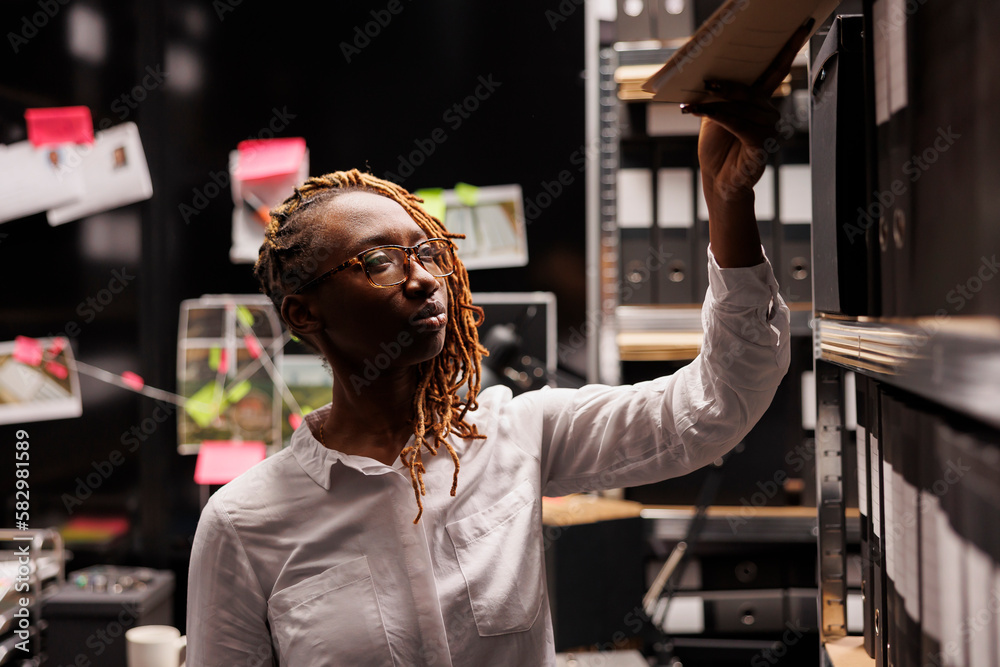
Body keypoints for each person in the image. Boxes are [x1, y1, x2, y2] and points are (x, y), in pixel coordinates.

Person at [186, 21, 811, 666]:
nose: (424, 277)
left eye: (426, 252)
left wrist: (727, 202)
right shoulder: (245, 523)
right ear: (303, 313)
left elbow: (716, 407)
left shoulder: (515, 435)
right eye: (379, 262)